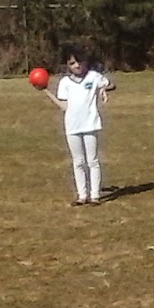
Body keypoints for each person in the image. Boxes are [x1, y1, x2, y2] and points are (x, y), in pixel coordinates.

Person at [45, 44, 113, 206]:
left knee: (93, 160)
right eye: (72, 63)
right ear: (67, 65)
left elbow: (108, 84)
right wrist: (46, 92)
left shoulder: (93, 77)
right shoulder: (65, 83)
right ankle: (82, 195)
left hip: (90, 124)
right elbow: (64, 106)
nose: (77, 66)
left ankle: (95, 195)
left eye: (79, 62)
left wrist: (103, 90)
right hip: (72, 126)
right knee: (78, 161)